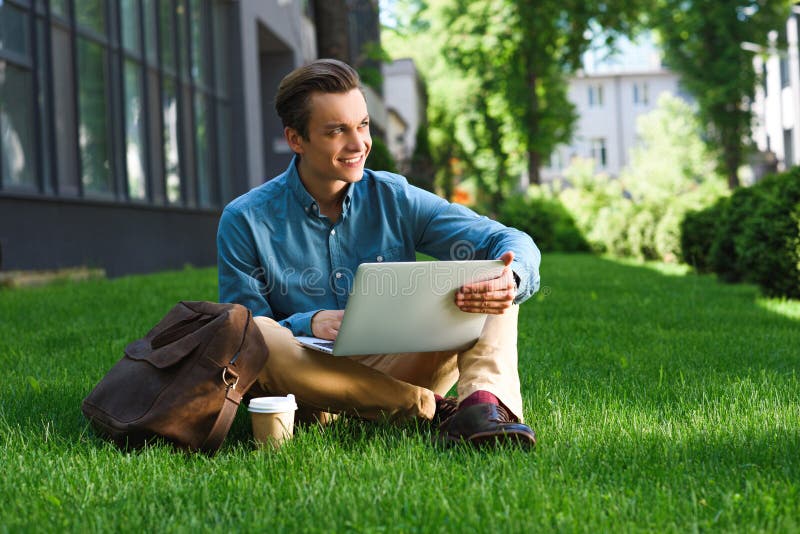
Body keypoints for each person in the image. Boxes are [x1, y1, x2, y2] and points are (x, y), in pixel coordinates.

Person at [217, 59, 541, 448]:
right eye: (337, 131)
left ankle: (485, 407)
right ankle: (438, 411)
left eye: (363, 125)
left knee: (497, 278)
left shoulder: (394, 196)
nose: (358, 145)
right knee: (260, 337)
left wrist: (512, 277)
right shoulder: (245, 218)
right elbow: (241, 341)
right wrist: (309, 322)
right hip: (309, 391)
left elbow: (507, 238)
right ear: (296, 139)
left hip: (400, 366)